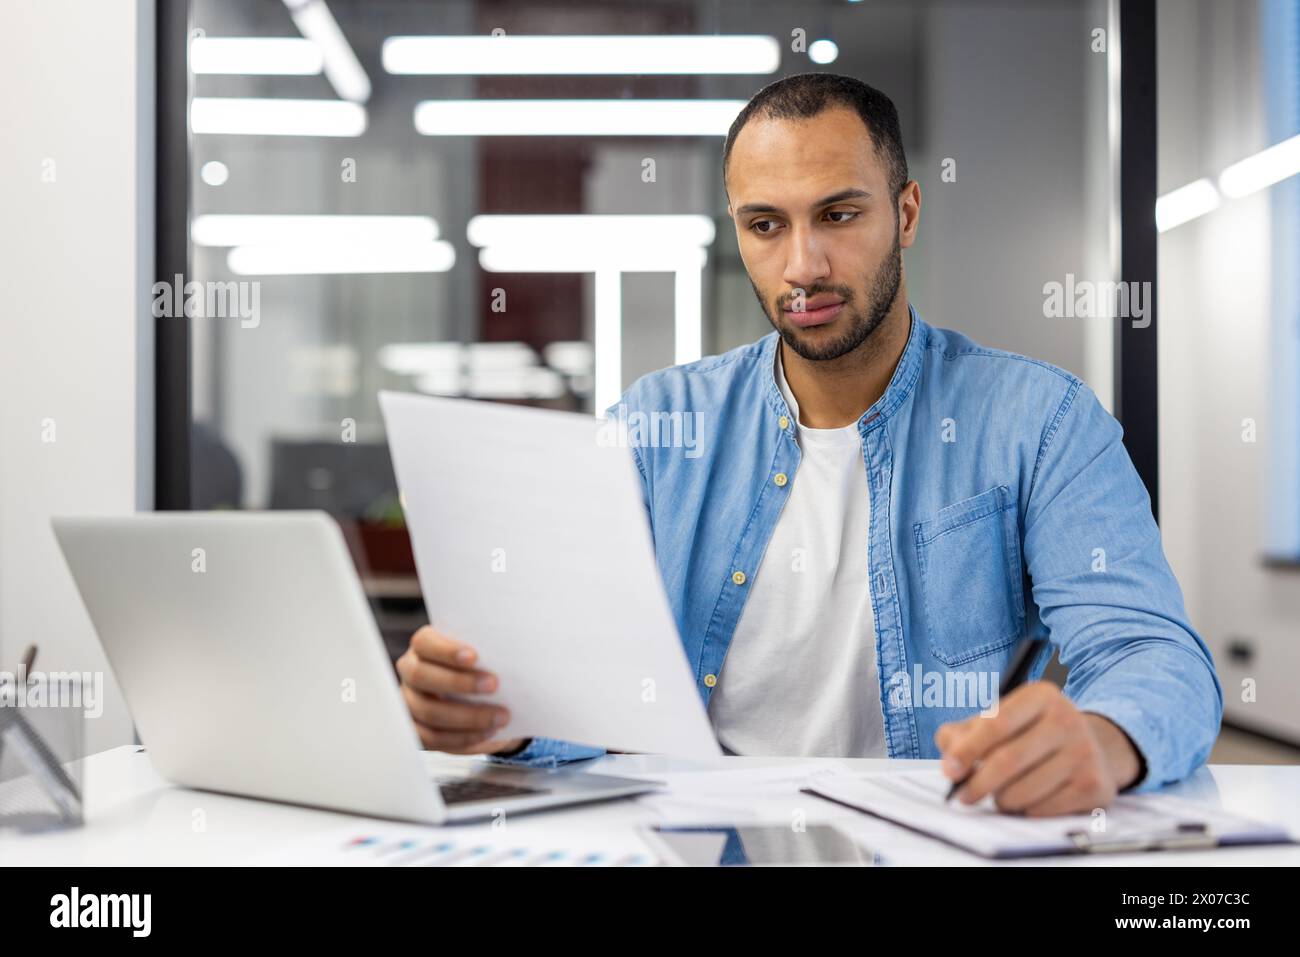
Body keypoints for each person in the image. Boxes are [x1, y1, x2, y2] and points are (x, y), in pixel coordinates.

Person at [396, 73, 1221, 816]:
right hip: (699, 837)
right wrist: (498, 717)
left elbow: (1151, 652)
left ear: (904, 213)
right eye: (766, 225)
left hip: (932, 834)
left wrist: (1109, 736)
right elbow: (583, 699)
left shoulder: (1039, 421)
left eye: (838, 214)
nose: (803, 265)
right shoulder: (656, 425)